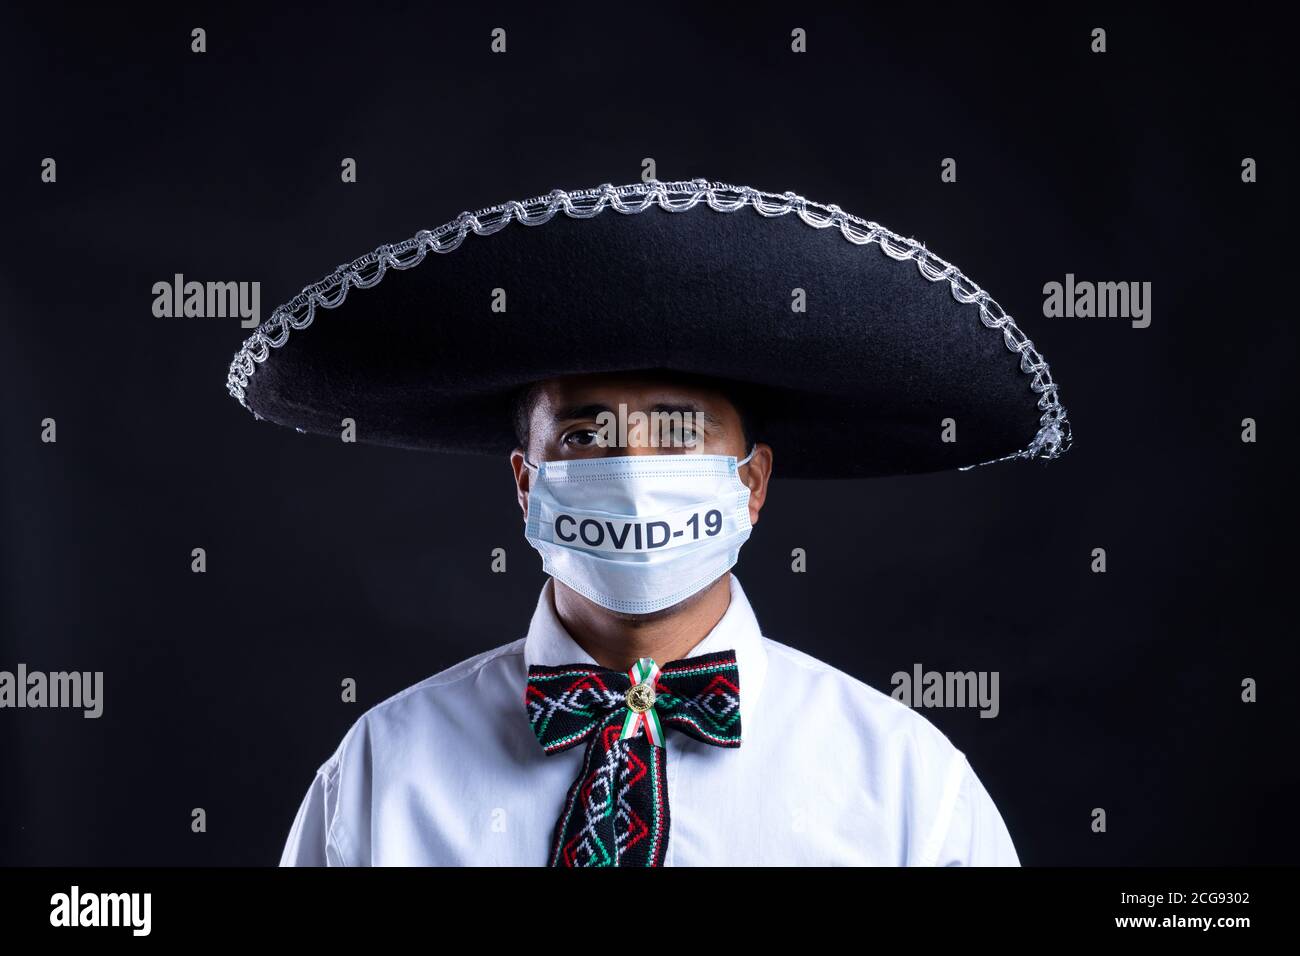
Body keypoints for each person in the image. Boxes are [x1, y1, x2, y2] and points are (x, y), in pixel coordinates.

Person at [227, 178, 1072, 865]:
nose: (633, 470)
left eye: (678, 429)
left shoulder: (906, 786)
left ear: (753, 481)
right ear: (527, 484)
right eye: (586, 433)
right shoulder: (382, 772)